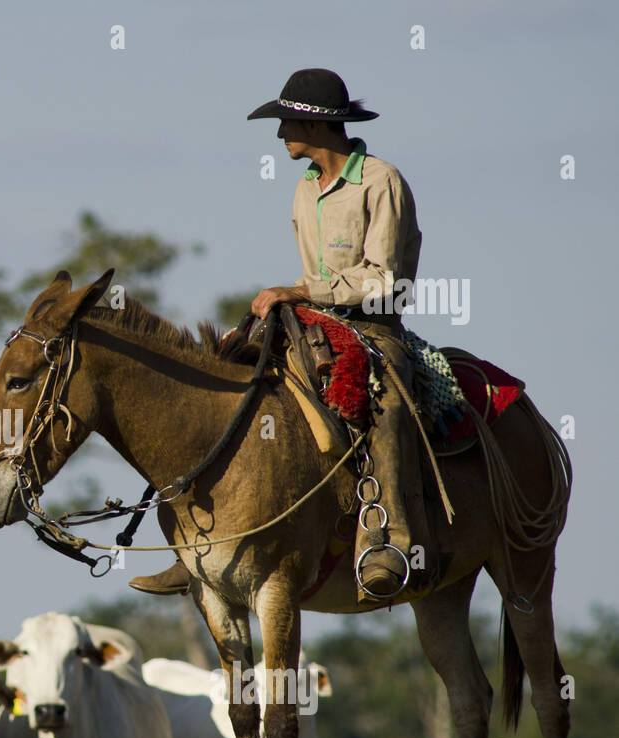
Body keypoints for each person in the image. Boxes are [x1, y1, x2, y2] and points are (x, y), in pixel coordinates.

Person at [132, 68, 424, 602]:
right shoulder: (304, 189)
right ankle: (197, 546)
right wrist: (294, 295)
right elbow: (314, 279)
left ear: (321, 125)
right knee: (222, 375)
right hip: (314, 322)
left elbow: (386, 279)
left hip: (373, 329)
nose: (280, 133)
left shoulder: (380, 181)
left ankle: (385, 537)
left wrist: (302, 292)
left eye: (288, 121)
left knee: (383, 401)